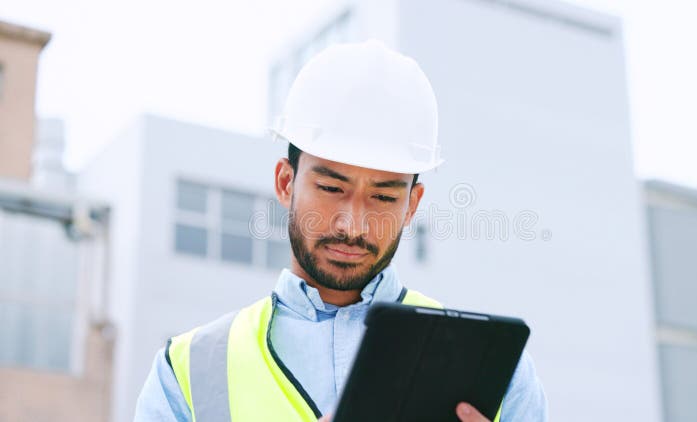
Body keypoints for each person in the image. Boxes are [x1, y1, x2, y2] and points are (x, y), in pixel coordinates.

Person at [134, 40, 547, 422]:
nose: (353, 225)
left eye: (383, 198)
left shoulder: (493, 369)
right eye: (332, 188)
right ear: (285, 183)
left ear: (412, 205)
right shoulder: (189, 373)